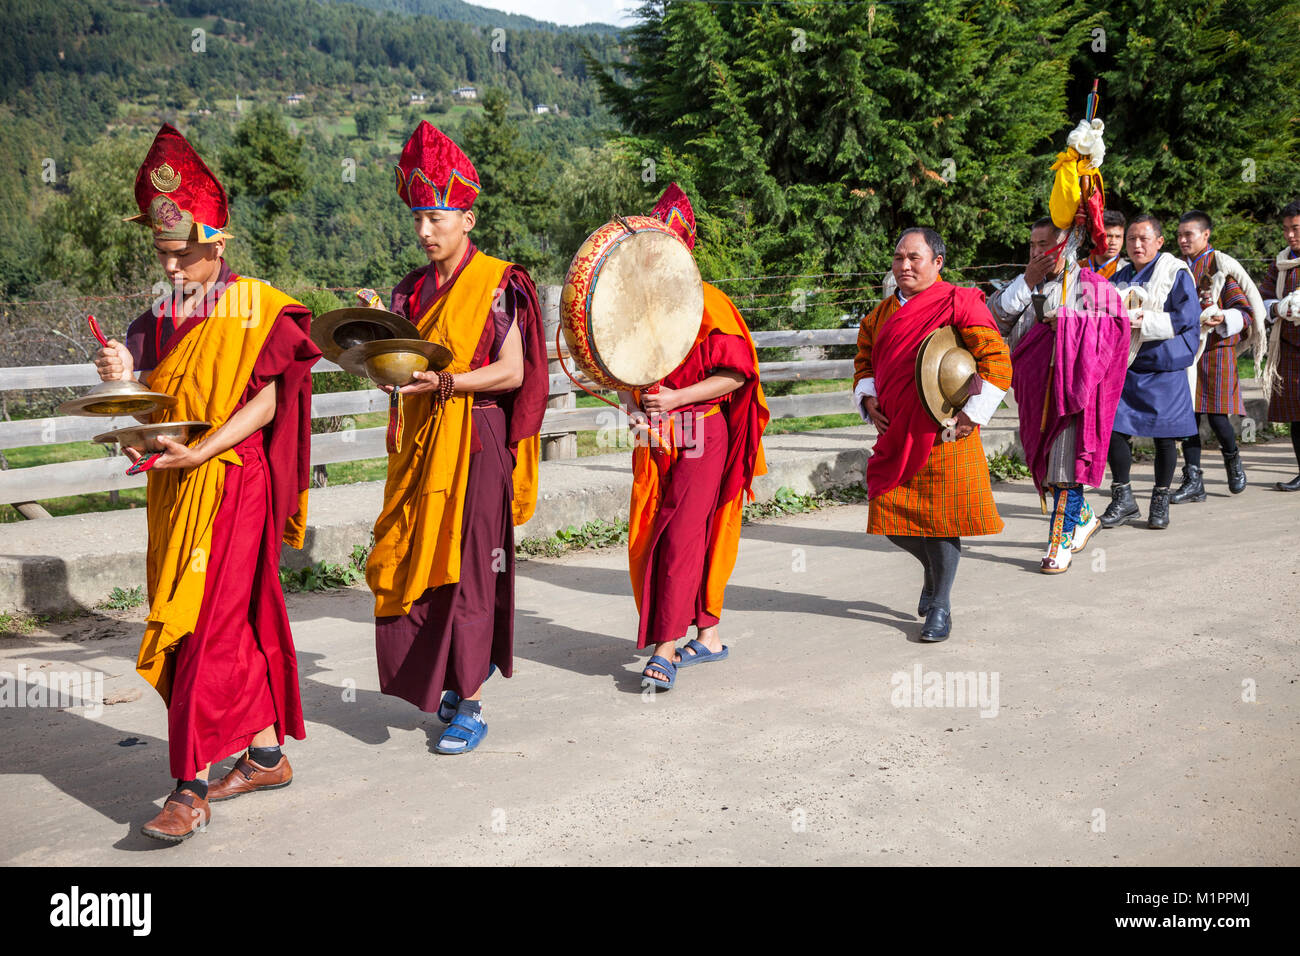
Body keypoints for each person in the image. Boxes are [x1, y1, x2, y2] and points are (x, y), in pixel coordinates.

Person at [92, 124, 318, 842]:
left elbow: (271, 398)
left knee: (200, 627)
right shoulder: (162, 313)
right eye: (162, 257)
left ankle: (187, 788)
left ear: (216, 243)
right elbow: (133, 362)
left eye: (182, 256)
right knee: (231, 623)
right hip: (175, 486)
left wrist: (203, 449)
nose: (172, 270)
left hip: (229, 479)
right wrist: (119, 369)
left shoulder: (256, 306)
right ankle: (266, 754)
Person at [365, 122, 547, 754]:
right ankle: (439, 678)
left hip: (475, 438)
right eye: (418, 217)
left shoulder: (496, 283)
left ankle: (470, 700)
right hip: (423, 443)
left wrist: (447, 382)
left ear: (468, 217)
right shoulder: (411, 290)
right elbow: (404, 366)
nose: (425, 231)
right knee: (419, 558)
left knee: (471, 569)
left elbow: (513, 370)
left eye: (438, 216)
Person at [622, 184, 770, 690]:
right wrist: (634, 410)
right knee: (663, 528)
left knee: (681, 531)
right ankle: (707, 637)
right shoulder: (639, 306)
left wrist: (676, 401)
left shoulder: (710, 303)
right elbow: (625, 373)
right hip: (656, 434)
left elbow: (737, 375)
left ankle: (665, 650)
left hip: (702, 428)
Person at [853, 228, 1011, 641]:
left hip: (945, 431)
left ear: (937, 263)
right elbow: (864, 363)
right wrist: (867, 399)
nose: (904, 265)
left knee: (942, 523)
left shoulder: (959, 302)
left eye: (914, 258)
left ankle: (939, 606)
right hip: (895, 433)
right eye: (899, 257)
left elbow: (997, 360)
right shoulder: (879, 316)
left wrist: (970, 417)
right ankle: (932, 572)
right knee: (889, 515)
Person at [990, 217, 1129, 572]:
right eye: (1032, 245)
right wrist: (1028, 282)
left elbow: (1116, 328)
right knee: (1046, 465)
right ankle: (1083, 517)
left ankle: (1060, 542)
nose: (1037, 252)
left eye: (1044, 245)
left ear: (1066, 246)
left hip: (1073, 393)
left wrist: (1070, 322)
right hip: (1033, 392)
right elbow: (994, 319)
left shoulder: (1091, 285)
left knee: (1065, 468)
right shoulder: (1023, 285)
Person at [1102, 214, 1200, 529]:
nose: (1136, 244)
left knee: (1165, 439)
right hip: (1127, 367)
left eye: (1144, 239)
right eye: (1131, 239)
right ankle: (1123, 497)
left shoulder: (1176, 273)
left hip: (1164, 367)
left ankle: (1160, 500)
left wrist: (1144, 320)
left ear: (1159, 242)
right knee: (1113, 430)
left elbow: (1186, 317)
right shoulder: (1120, 274)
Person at [1170, 210, 1261, 501]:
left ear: (1205, 235)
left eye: (1189, 234)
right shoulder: (1175, 267)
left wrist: (1222, 318)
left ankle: (1233, 461)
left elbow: (1244, 312)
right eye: (1180, 235)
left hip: (1217, 352)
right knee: (1189, 418)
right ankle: (1193, 479)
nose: (1183, 240)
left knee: (1219, 418)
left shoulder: (1220, 265)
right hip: (1186, 351)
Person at [1261, 199, 1300, 491]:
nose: (1289, 235)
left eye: (1295, 228)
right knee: (1296, 416)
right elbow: (1262, 297)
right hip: (1287, 346)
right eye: (1286, 229)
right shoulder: (1281, 262)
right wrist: (1278, 308)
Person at [1082, 209, 1128, 279]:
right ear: (1094, 238)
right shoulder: (1078, 267)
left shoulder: (1127, 271)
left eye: (1118, 237)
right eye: (1108, 236)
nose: (1113, 242)